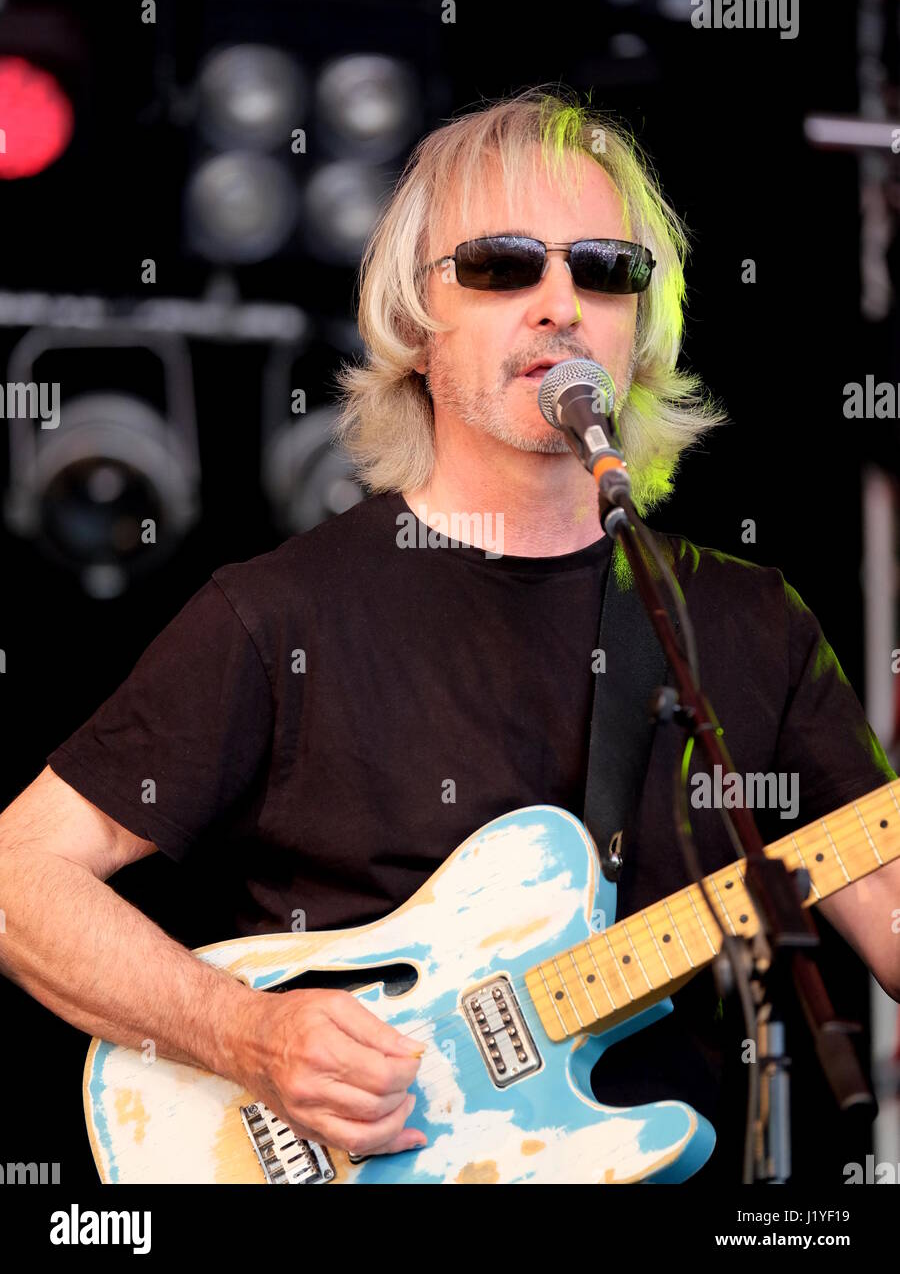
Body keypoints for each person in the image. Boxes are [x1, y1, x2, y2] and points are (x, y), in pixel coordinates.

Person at [1, 87, 898, 1183]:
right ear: (418, 329)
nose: (560, 300)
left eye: (605, 268)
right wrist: (249, 1037)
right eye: (504, 263)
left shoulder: (753, 624)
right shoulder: (282, 614)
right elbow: (17, 876)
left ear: (642, 327)